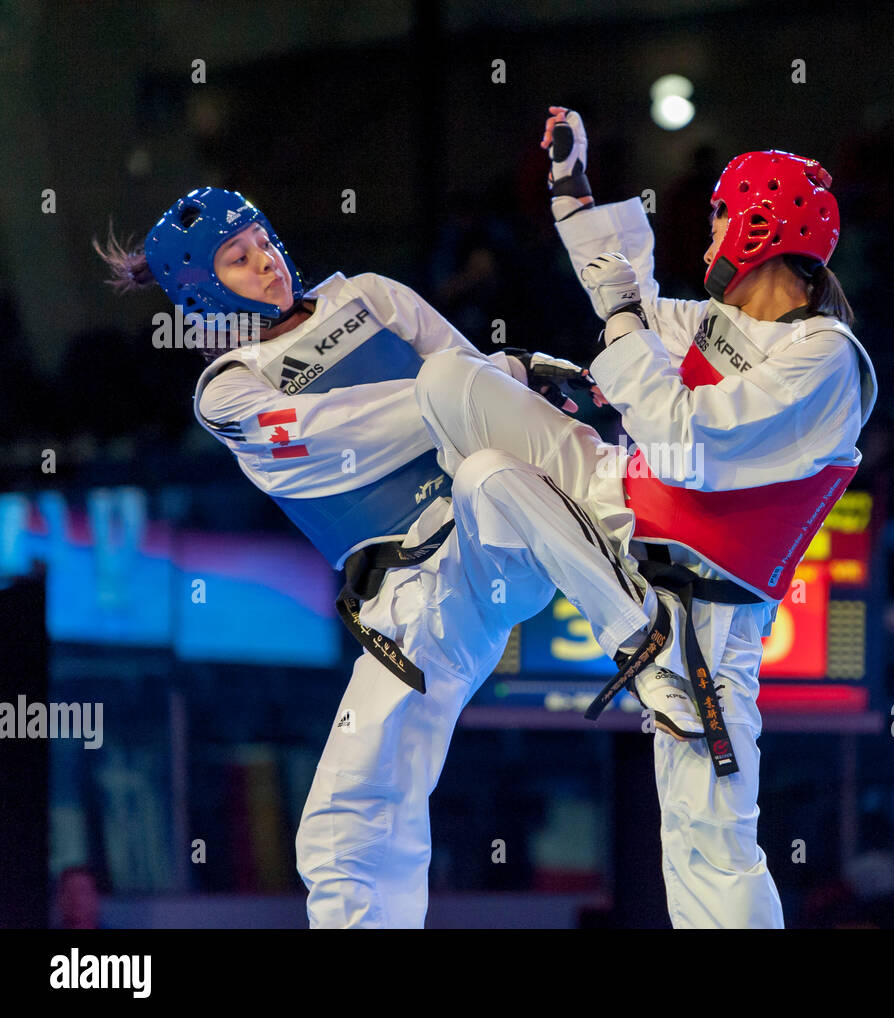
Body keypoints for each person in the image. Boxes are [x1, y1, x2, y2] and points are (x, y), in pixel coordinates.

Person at [95, 187, 681, 927]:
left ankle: (647, 626)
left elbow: (472, 386)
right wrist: (503, 374)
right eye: (238, 261)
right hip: (413, 601)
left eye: (263, 241)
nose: (266, 262)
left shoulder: (369, 295)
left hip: (501, 526)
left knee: (487, 466)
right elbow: (359, 424)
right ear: (204, 291)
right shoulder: (230, 393)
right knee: (345, 828)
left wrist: (500, 377)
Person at [414, 107, 877, 927]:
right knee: (457, 394)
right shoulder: (720, 323)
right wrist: (573, 192)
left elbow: (683, 446)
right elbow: (626, 302)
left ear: (763, 226)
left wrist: (628, 338)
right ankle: (586, 621)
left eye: (721, 215)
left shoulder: (827, 361)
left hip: (705, 618)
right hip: (622, 523)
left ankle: (644, 646)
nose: (710, 234)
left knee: (711, 849)